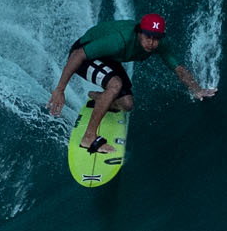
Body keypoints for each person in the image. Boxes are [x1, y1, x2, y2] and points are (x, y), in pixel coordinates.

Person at [45, 9, 211, 148]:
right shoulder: (120, 40)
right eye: (148, 37)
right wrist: (60, 90)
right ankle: (88, 138)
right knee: (115, 85)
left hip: (108, 57)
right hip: (83, 55)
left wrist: (196, 90)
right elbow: (78, 55)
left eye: (156, 38)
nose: (152, 43)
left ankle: (101, 98)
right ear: (139, 32)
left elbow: (178, 68)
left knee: (127, 104)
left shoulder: (159, 44)